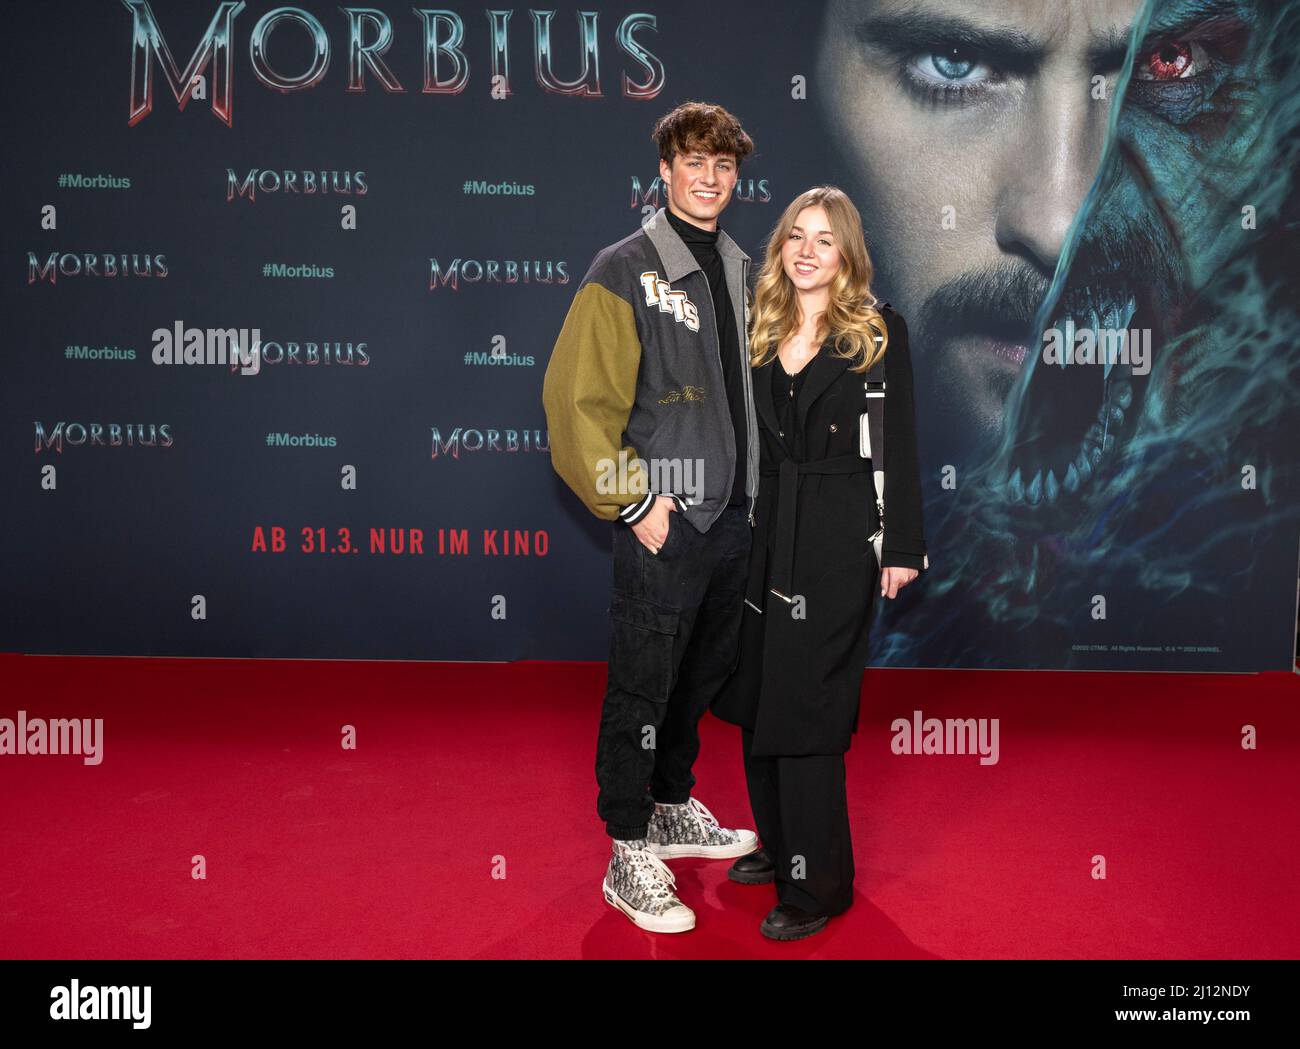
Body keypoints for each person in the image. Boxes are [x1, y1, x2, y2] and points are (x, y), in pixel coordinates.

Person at [541, 101, 761, 934]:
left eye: (724, 166)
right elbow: (574, 403)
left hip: (735, 516)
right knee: (642, 682)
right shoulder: (623, 266)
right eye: (694, 162)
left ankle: (671, 804)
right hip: (665, 514)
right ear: (664, 169)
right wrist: (633, 498)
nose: (709, 178)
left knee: (700, 676)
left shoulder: (744, 268)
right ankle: (628, 847)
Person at [713, 186, 927, 940]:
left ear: (847, 256)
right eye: (796, 236)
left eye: (824, 240)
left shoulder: (876, 330)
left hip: (838, 537)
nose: (806, 250)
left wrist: (901, 545)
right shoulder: (759, 325)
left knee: (807, 702)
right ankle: (778, 843)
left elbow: (897, 443)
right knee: (759, 687)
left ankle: (817, 884)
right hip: (768, 529)